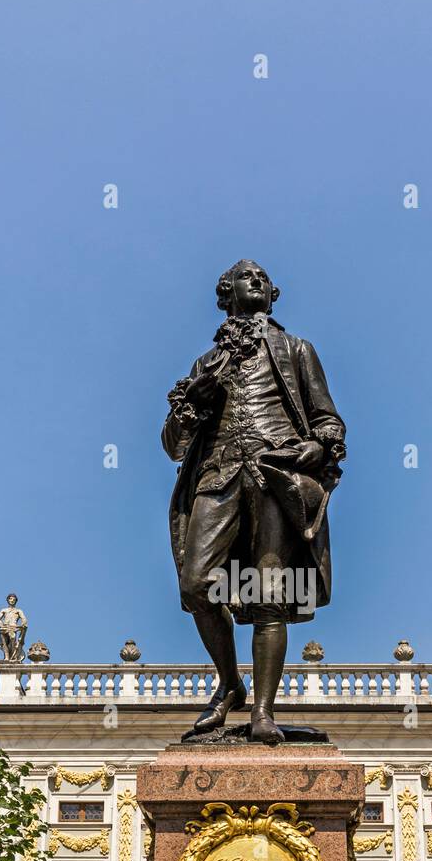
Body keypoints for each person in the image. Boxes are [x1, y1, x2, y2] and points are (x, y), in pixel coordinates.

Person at [163, 261, 346, 743]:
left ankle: (262, 712)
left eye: (263, 277)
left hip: (274, 474)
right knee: (196, 584)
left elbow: (327, 419)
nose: (257, 281)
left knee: (270, 595)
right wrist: (190, 406)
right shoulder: (206, 364)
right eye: (246, 276)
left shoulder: (296, 349)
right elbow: (173, 446)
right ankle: (229, 683)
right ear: (227, 293)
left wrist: (317, 446)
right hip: (218, 473)